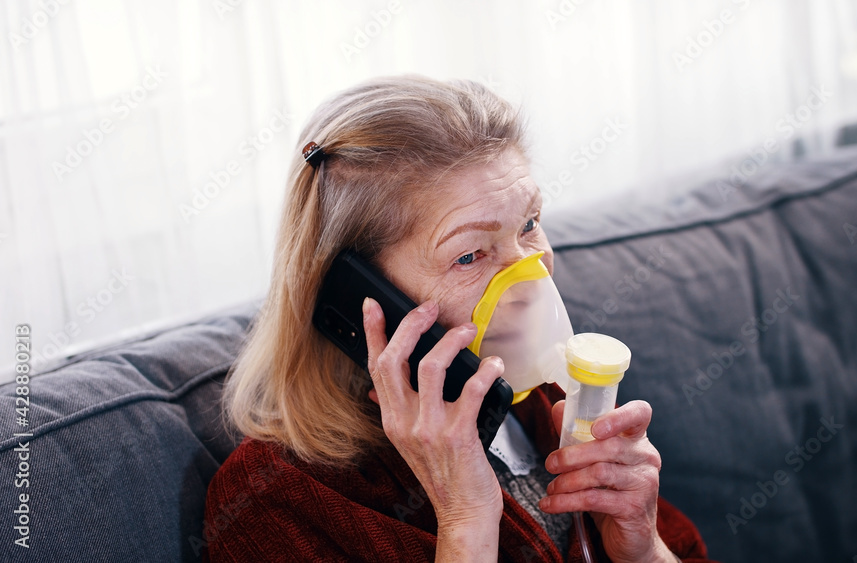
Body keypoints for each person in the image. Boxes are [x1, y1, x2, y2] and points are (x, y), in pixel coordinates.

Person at [204, 76, 714, 562]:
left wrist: (643, 548)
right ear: (361, 294)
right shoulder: (273, 498)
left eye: (530, 225)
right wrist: (466, 521)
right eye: (469, 255)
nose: (530, 281)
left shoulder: (537, 400)